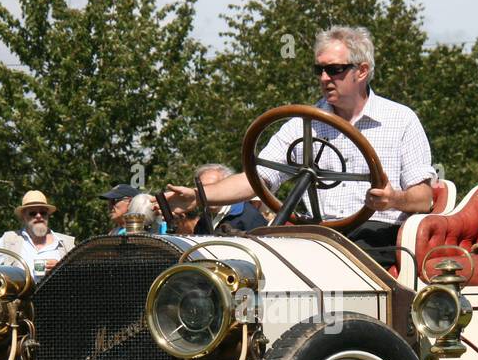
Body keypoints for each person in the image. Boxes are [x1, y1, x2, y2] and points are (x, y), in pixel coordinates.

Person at [166, 25, 437, 261]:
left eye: (335, 70)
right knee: (255, 257)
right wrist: (198, 194)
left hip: (378, 233)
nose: (324, 78)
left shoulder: (401, 119)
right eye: (319, 70)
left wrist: (392, 199)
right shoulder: (302, 124)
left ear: (362, 71)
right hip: (318, 234)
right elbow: (256, 179)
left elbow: (423, 199)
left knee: (336, 262)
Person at [0, 191, 74, 278]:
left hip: (56, 299)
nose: (39, 216)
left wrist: (62, 269)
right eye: (32, 213)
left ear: (48, 215)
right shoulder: (10, 241)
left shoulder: (66, 244)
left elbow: (82, 277)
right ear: (23, 217)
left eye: (43, 212)